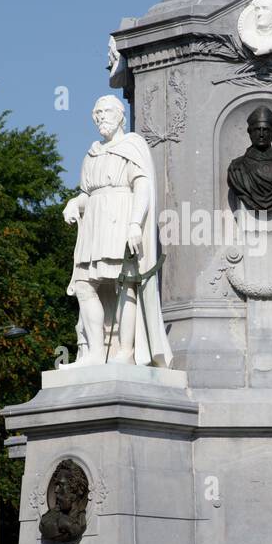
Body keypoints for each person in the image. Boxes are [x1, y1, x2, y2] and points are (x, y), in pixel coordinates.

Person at [63, 96, 172, 367]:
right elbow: (88, 194)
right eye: (96, 112)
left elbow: (142, 186)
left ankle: (125, 352)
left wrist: (136, 223)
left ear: (121, 115)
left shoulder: (132, 146)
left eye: (106, 111)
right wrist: (74, 203)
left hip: (120, 219)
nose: (101, 117)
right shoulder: (93, 153)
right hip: (94, 225)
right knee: (84, 286)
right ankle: (96, 353)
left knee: (125, 283)